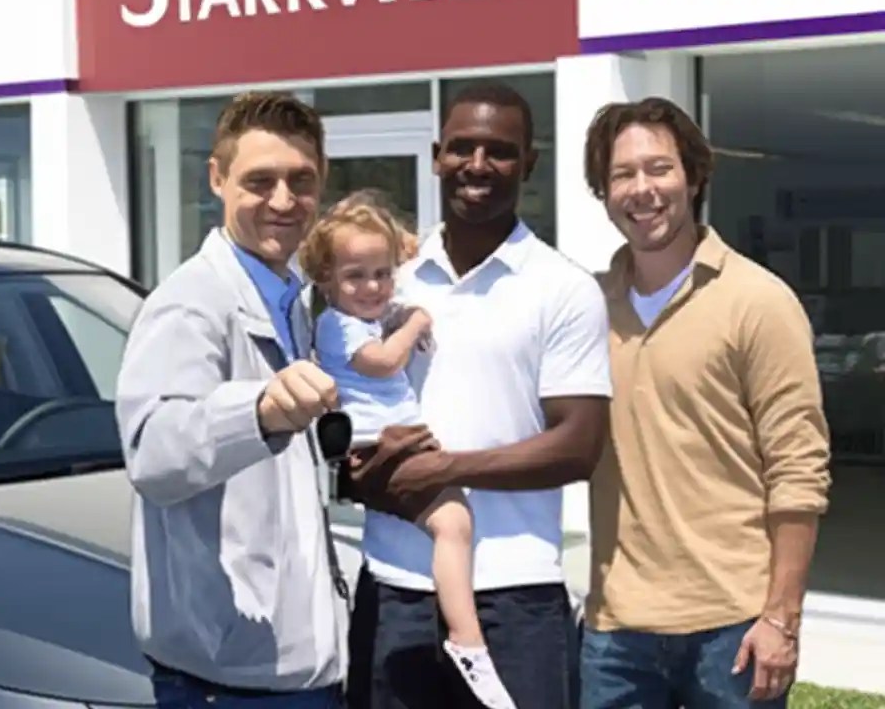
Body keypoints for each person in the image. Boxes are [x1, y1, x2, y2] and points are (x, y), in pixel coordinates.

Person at [341, 80, 613, 709]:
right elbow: (350, 418)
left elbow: (579, 446)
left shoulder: (561, 287)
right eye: (462, 148)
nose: (478, 166)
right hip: (394, 587)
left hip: (515, 597)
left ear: (530, 163)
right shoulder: (391, 283)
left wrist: (445, 470)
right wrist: (358, 470)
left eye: (499, 151)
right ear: (437, 155)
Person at [578, 96, 831, 707]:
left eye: (660, 168)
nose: (643, 189)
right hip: (616, 632)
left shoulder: (757, 302)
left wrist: (781, 617)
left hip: (734, 628)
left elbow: (798, 469)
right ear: (603, 192)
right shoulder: (584, 308)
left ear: (693, 176)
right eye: (622, 174)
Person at [115, 90, 351, 707]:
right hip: (230, 679)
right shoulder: (190, 303)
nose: (283, 200)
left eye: (301, 180)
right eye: (260, 180)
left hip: (294, 664)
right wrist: (258, 412)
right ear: (217, 178)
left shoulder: (293, 296)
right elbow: (154, 452)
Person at [297, 198, 516, 709]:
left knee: (454, 521)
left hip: (395, 442)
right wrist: (416, 324)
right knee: (453, 524)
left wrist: (403, 288)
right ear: (327, 278)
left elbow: (400, 275)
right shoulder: (337, 323)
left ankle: (464, 635)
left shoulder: (365, 311)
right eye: (355, 276)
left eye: (381, 274)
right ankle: (467, 639)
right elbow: (381, 362)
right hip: (380, 448)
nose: (372, 287)